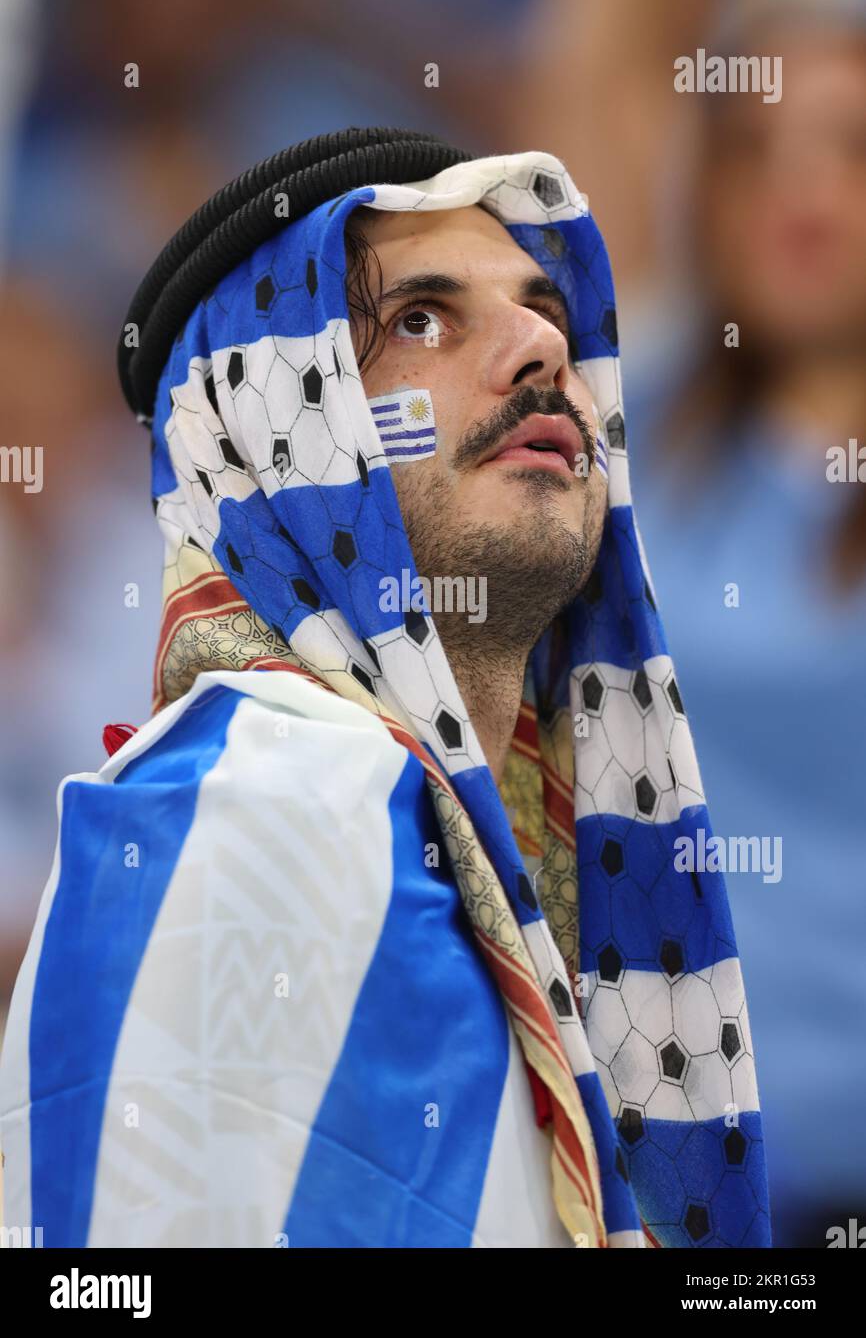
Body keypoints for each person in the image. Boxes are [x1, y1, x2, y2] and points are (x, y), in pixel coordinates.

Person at [0, 127, 771, 1249]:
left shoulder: (499, 862)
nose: (538, 348)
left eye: (543, 310)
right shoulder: (253, 804)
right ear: (273, 443)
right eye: (419, 318)